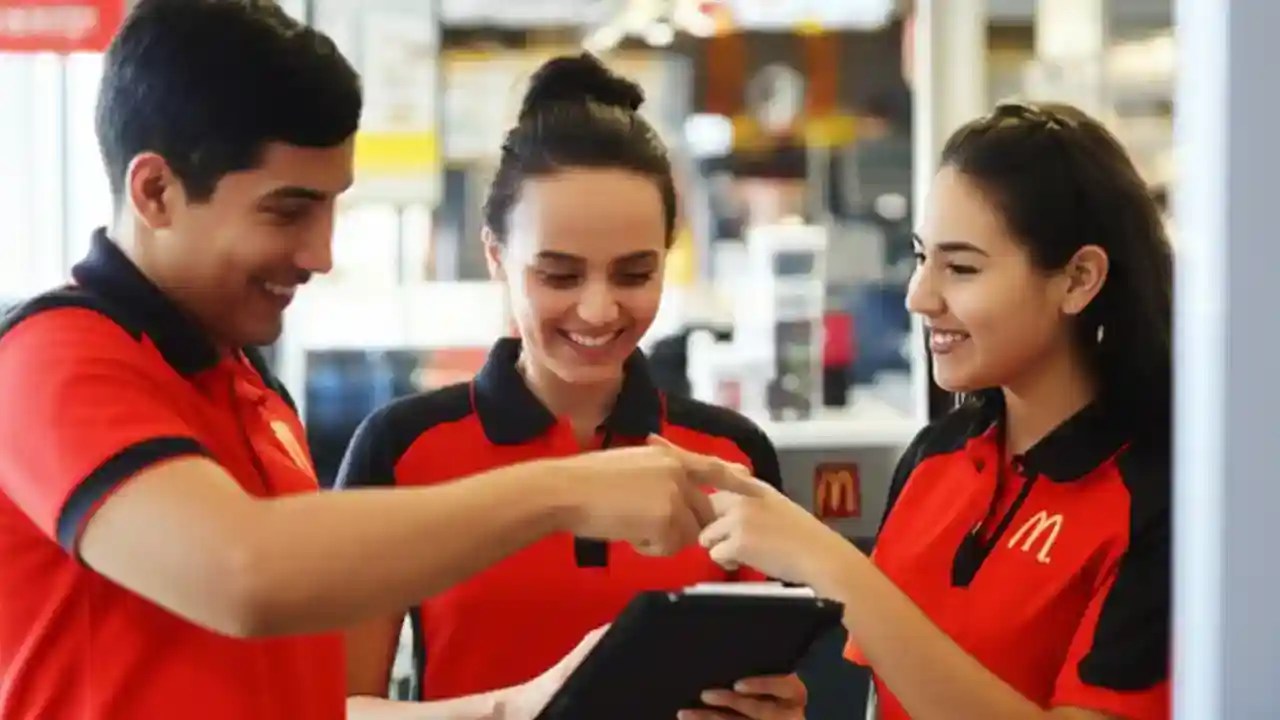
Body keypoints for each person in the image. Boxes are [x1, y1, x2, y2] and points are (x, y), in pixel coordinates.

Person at [0, 4, 744, 719]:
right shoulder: (49, 360)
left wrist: (513, 707)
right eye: (288, 211)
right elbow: (244, 573)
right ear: (156, 190)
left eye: (332, 208)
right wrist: (563, 492)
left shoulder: (247, 387)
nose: (321, 253)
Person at [335, 53, 807, 720]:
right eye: (559, 276)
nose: (598, 311)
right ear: (495, 254)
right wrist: (509, 711)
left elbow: (766, 682)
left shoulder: (728, 455)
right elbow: (330, 708)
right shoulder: (403, 449)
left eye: (634, 275)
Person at [690, 102, 1173, 720]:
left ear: (1078, 279)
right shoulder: (934, 457)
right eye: (922, 258)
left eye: (961, 267)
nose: (921, 296)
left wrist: (831, 565)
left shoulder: (1159, 498)